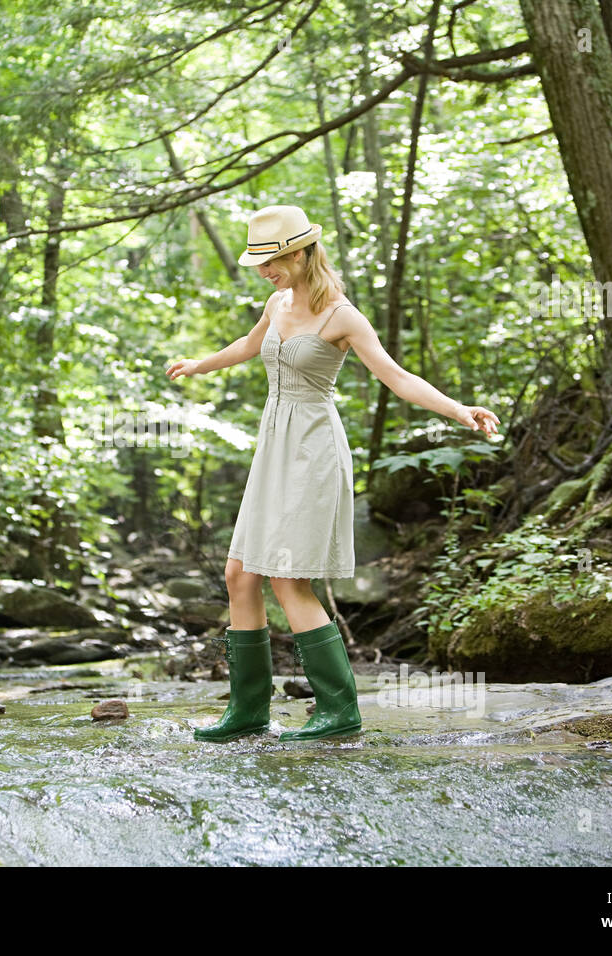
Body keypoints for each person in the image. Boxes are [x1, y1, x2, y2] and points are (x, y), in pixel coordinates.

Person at [166, 205, 501, 743]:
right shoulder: (276, 303)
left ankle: (339, 709)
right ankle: (248, 709)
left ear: (300, 253)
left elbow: (396, 376)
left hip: (313, 450)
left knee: (287, 578)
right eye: (259, 263)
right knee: (239, 574)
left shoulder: (341, 316)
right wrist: (198, 363)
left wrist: (459, 410)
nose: (264, 272)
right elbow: (251, 347)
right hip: (274, 446)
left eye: (270, 261)